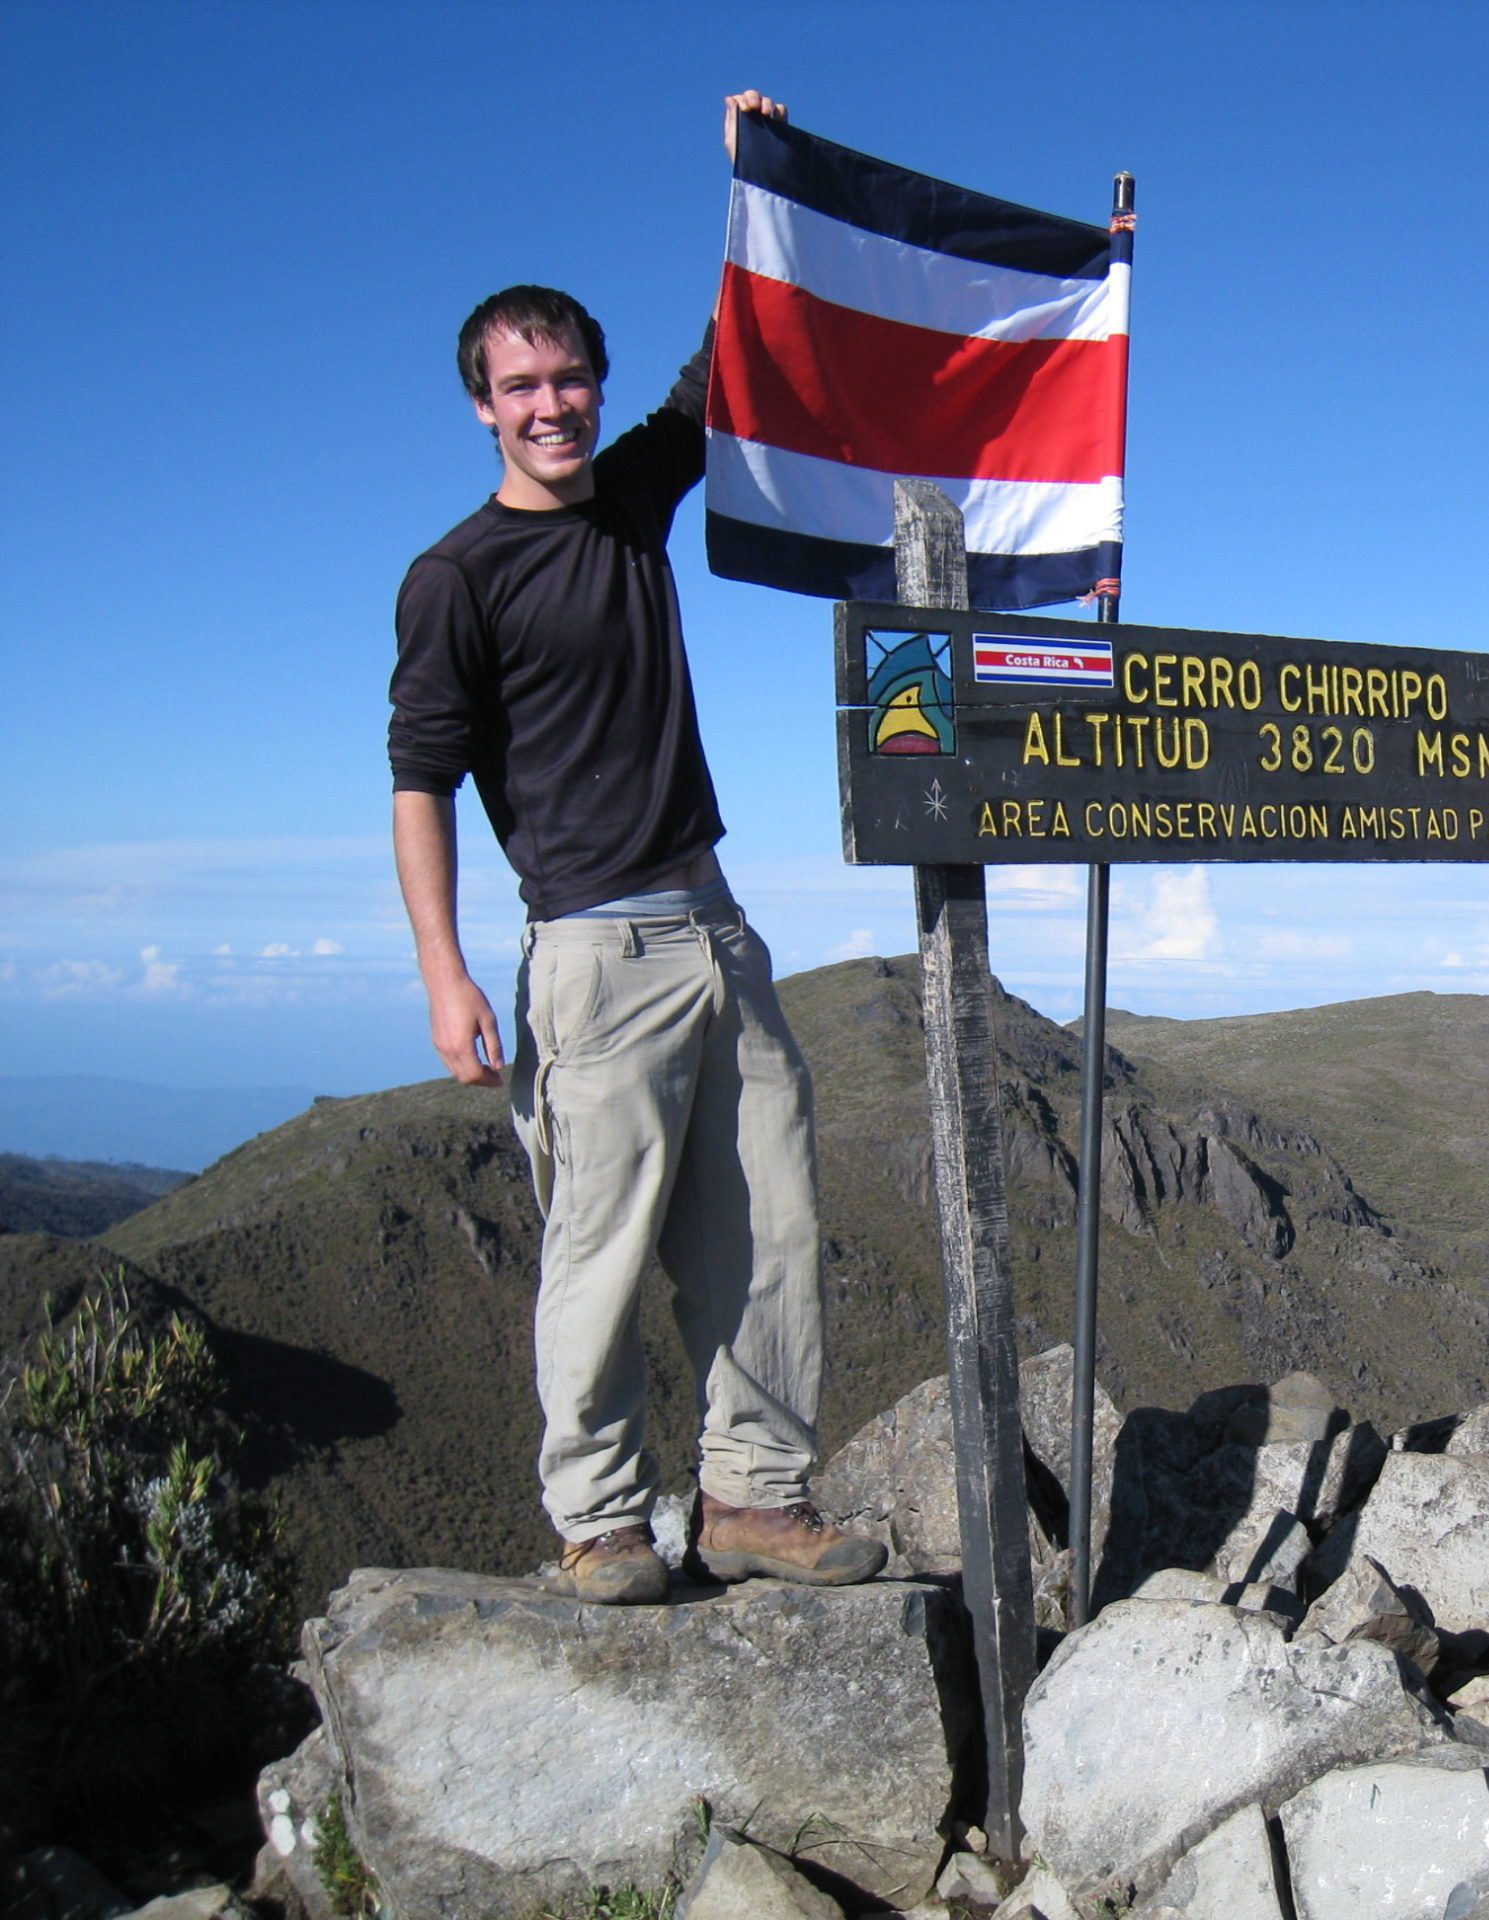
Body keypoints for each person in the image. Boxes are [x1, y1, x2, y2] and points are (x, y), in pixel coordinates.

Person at [388, 91, 883, 1606]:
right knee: (598, 1250)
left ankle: (753, 1501)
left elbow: (719, 365)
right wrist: (443, 974)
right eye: (520, 387)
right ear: (482, 406)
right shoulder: (457, 577)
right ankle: (601, 1521)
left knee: (771, 1226)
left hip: (717, 922)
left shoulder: (630, 500)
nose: (551, 406)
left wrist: (755, 185)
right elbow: (420, 782)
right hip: (592, 950)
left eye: (568, 379)